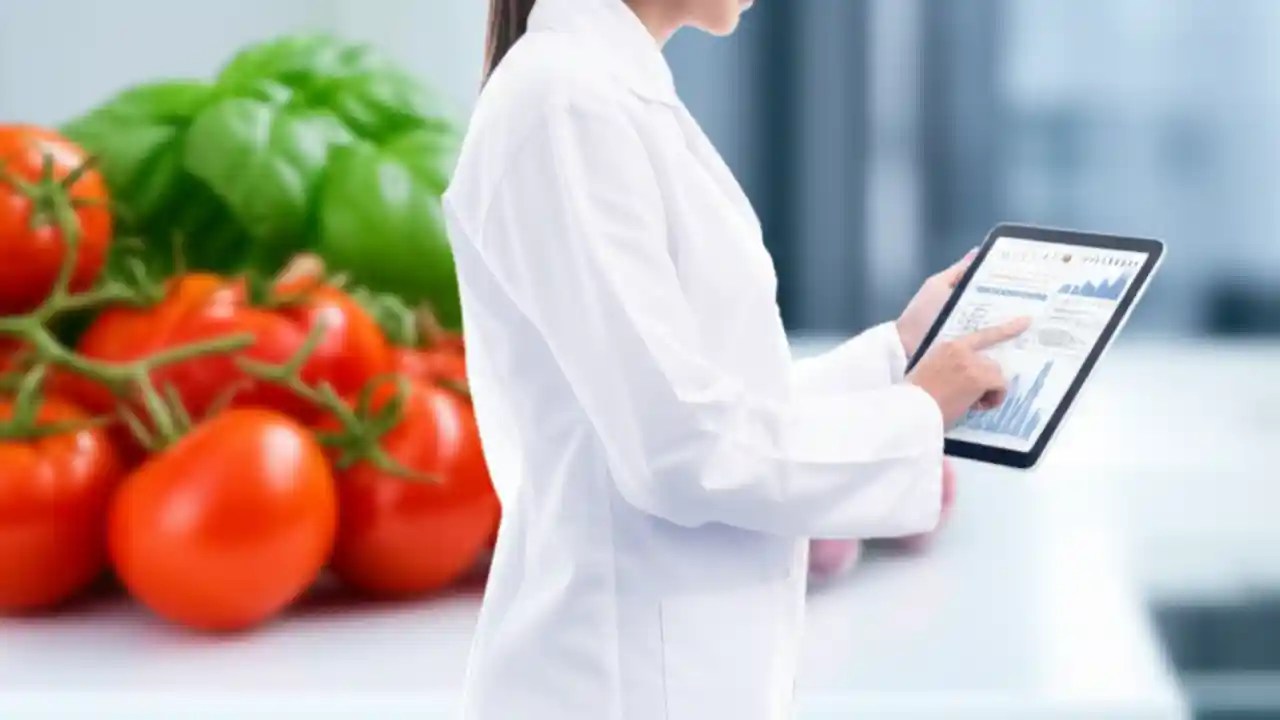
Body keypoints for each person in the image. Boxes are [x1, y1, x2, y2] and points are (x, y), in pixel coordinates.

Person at [442, 0, 1028, 717]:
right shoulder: (566, 106)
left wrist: (895, 354)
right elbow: (680, 447)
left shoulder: (604, 93)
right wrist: (915, 411)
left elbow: (699, 399)